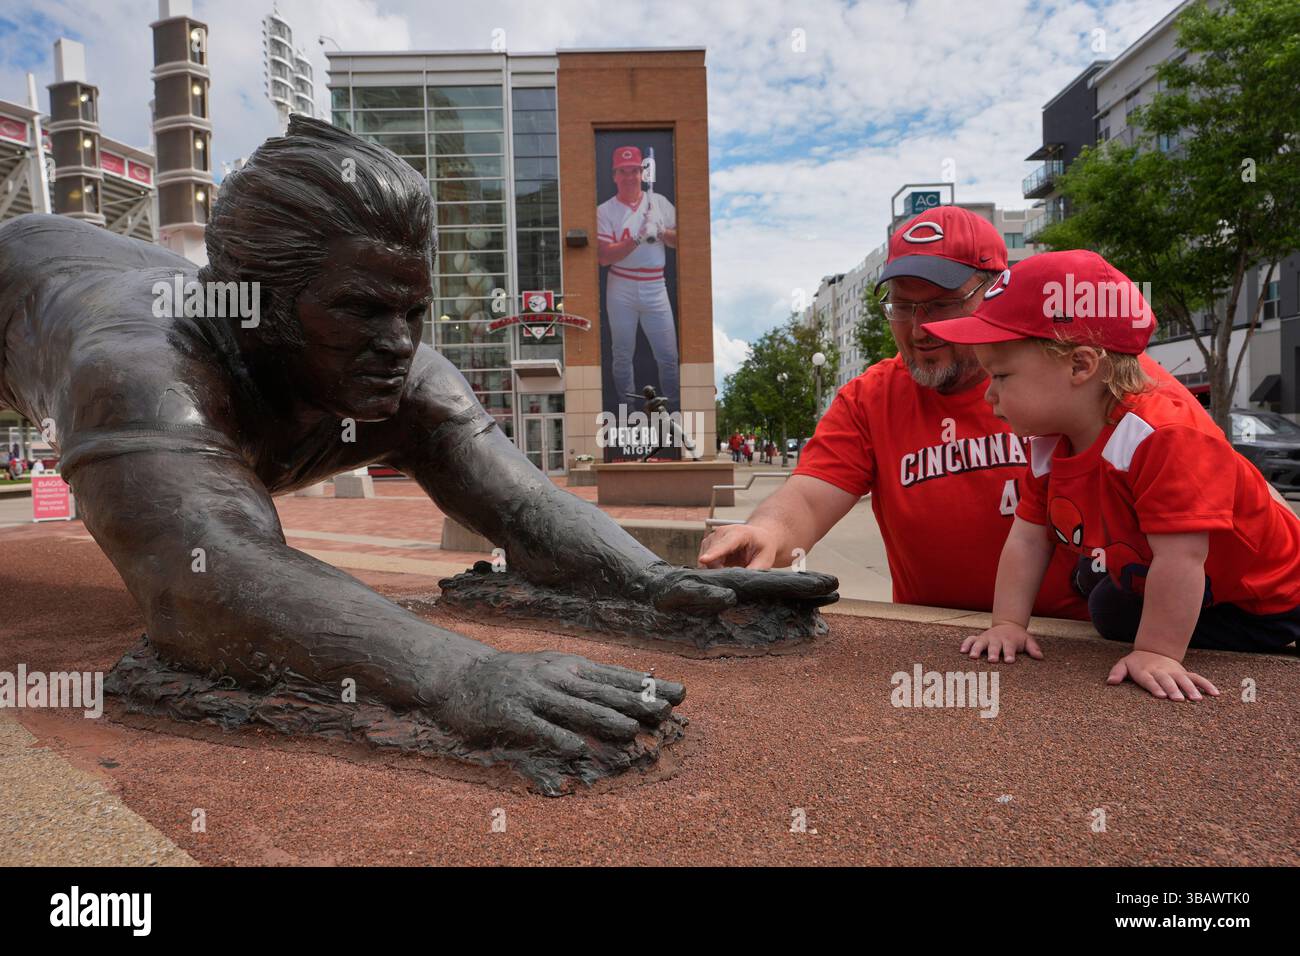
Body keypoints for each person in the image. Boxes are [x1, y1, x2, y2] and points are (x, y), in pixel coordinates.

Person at [0, 116, 834, 786]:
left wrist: (651, 581)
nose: (398, 344)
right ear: (254, 307)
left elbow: (522, 505)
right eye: (361, 312)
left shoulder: (406, 370)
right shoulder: (139, 372)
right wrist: (455, 677)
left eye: (413, 311)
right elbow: (202, 579)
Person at [698, 205, 1206, 619]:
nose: (919, 329)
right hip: (935, 641)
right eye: (902, 306)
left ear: (998, 291)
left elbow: (1208, 473)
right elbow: (806, 500)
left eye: (940, 306)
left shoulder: (1089, 367)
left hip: (1088, 645)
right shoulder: (870, 397)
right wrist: (765, 534)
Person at [923, 250, 1300, 699]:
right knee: (1106, 608)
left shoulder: (1164, 435)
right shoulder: (1050, 438)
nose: (989, 396)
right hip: (1171, 576)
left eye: (1001, 376)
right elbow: (1027, 537)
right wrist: (1007, 624)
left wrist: (1157, 652)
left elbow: (1182, 558)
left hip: (1266, 599)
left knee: (1123, 612)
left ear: (1081, 365)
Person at [596, 145, 680, 408]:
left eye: (634, 171)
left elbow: (682, 241)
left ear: (641, 173)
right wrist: (637, 237)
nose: (630, 176)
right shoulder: (605, 210)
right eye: (624, 171)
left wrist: (662, 229)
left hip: (656, 284)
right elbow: (604, 257)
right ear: (614, 175)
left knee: (668, 355)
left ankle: (673, 408)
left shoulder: (659, 203)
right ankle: (626, 410)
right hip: (621, 284)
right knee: (622, 353)